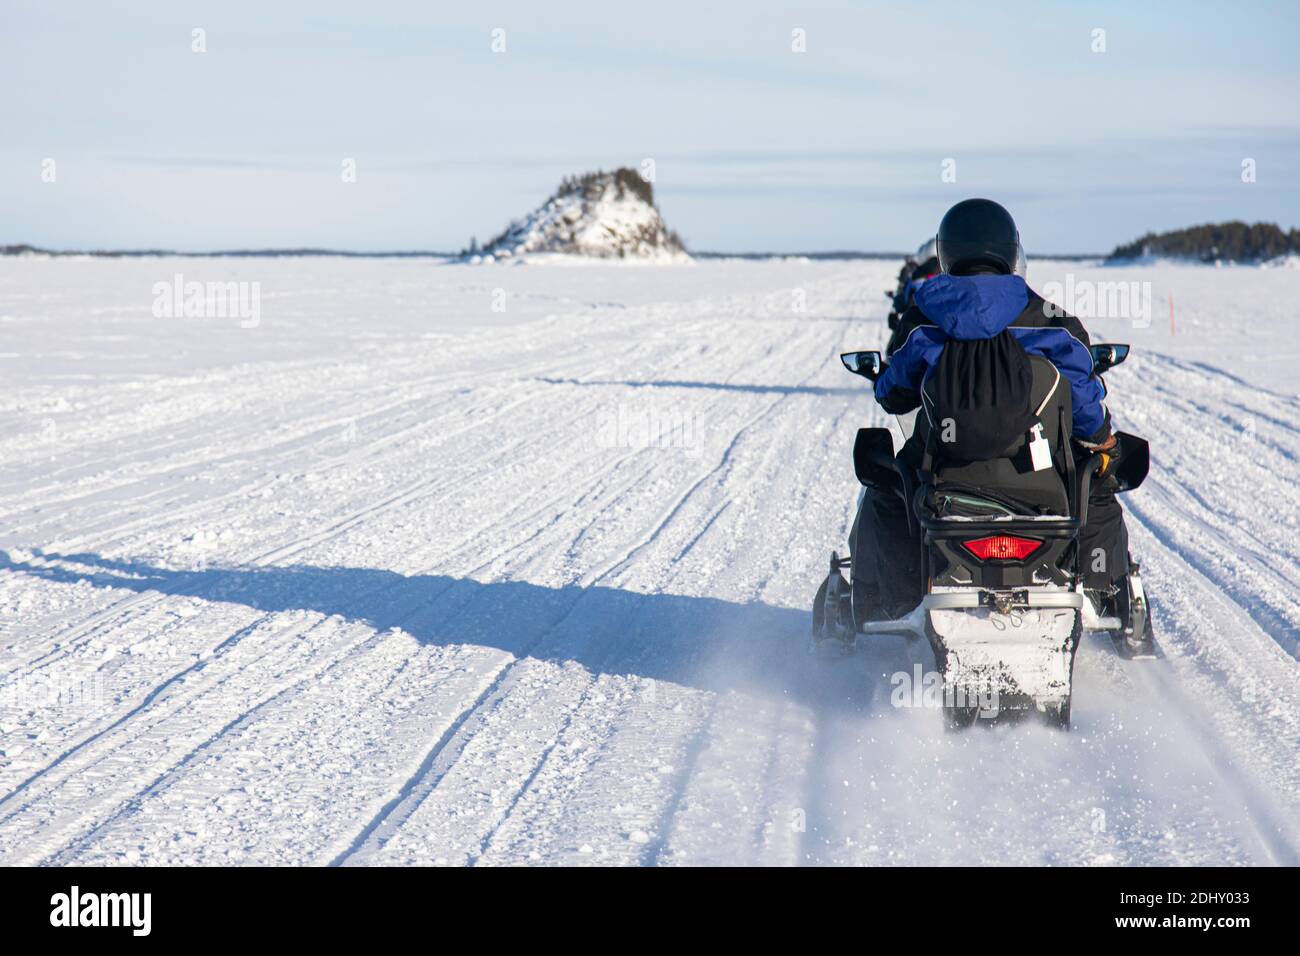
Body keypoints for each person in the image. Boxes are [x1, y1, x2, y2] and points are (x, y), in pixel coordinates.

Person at [858, 198, 1128, 617]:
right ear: (1011, 252)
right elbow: (1083, 399)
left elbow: (893, 392)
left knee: (885, 491)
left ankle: (888, 607)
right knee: (1099, 489)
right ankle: (1105, 601)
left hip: (945, 486)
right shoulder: (1051, 320)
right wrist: (1102, 440)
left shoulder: (923, 319)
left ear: (946, 252)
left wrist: (893, 382)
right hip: (1044, 488)